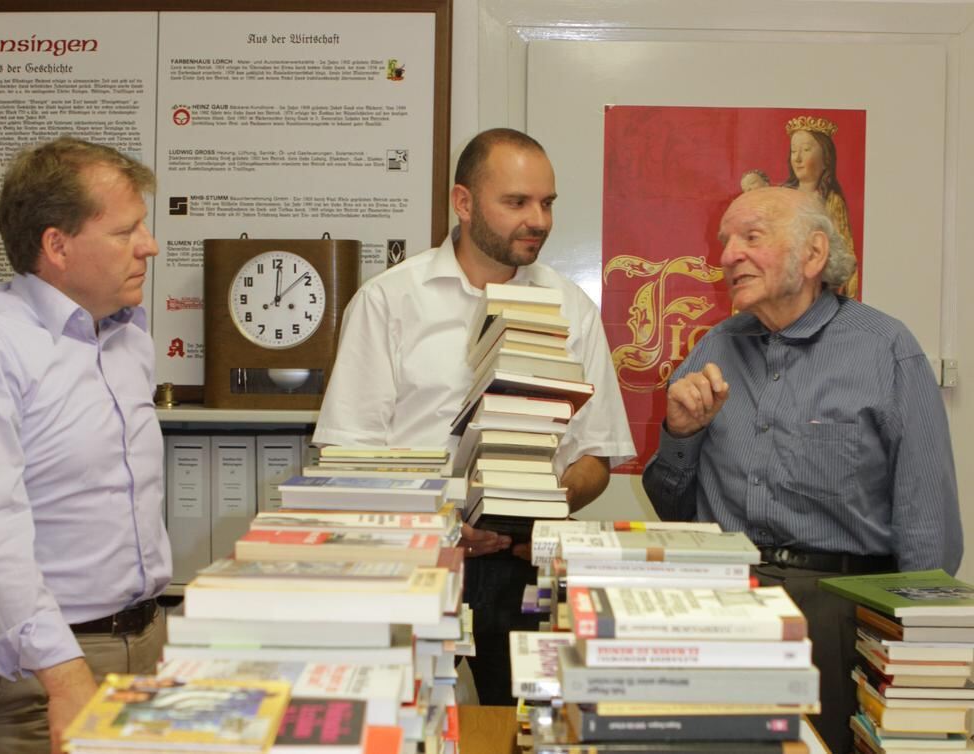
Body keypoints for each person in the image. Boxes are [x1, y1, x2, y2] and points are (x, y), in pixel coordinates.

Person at [314, 128, 635, 704]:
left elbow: (595, 457)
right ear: (463, 203)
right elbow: (348, 456)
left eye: (547, 202)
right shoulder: (390, 301)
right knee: (401, 724)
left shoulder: (573, 310)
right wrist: (438, 525)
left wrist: (530, 512)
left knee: (526, 728)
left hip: (522, 569)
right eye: (516, 202)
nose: (538, 219)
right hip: (409, 564)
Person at [642, 186, 962, 754]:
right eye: (725, 241)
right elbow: (675, 511)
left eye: (751, 237)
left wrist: (910, 669)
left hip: (839, 613)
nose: (727, 256)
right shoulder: (713, 347)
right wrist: (681, 435)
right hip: (721, 605)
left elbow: (928, 531)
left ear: (813, 256)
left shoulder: (887, 349)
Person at [0, 137, 172, 754]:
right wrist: (63, 676)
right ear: (56, 245)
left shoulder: (126, 335)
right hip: (47, 675)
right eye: (125, 232)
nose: (150, 246)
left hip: (148, 646)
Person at [783, 114, 858, 298]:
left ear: (826, 159)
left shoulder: (831, 201)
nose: (798, 158)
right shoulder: (781, 196)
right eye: (793, 151)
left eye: (806, 149)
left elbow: (844, 253)